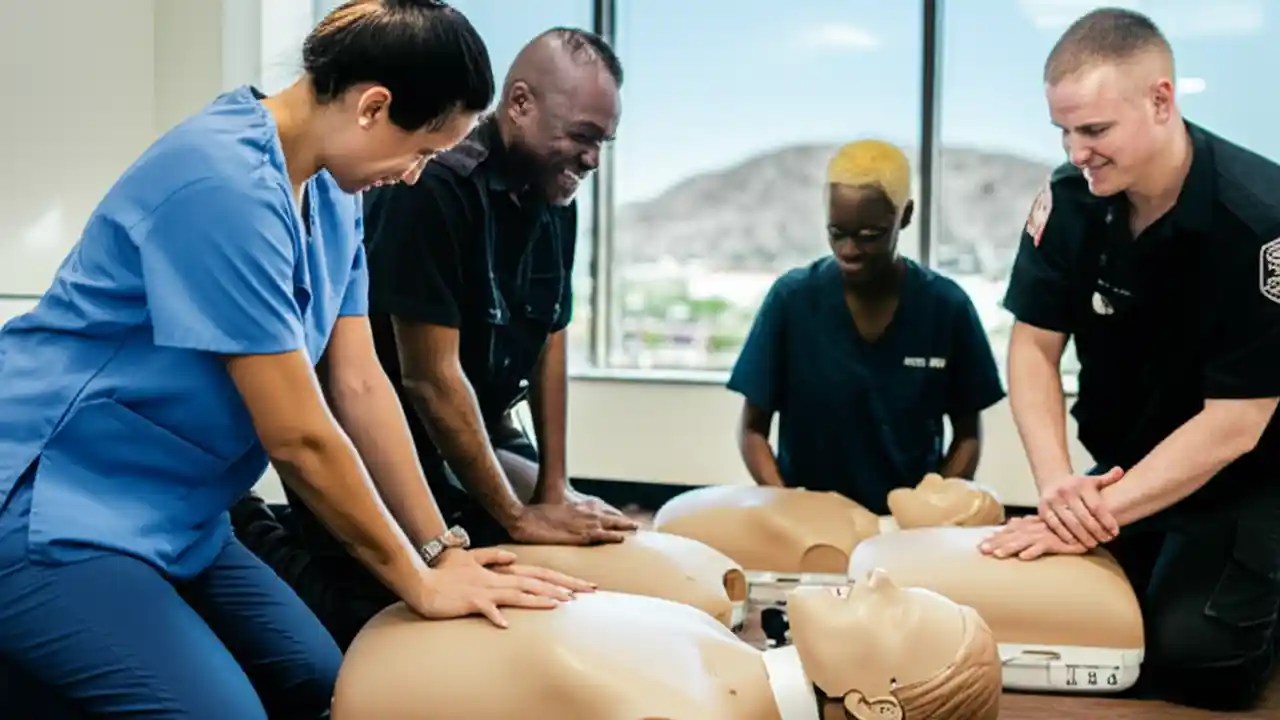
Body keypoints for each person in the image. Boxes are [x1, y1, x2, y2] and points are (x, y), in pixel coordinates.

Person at [0, 2, 588, 717]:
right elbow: (300, 436)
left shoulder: (334, 190)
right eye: (422, 151)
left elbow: (360, 385)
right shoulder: (221, 182)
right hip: (54, 503)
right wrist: (419, 582)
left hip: (179, 510)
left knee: (318, 678)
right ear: (373, 107)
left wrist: (440, 549)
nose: (414, 175)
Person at [232, 26, 637, 652]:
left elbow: (551, 339)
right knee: (382, 609)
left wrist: (554, 490)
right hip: (392, 426)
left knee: (563, 540)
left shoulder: (557, 196)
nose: (592, 160)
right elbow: (428, 380)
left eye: (602, 143)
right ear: (520, 104)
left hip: (480, 424)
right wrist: (510, 519)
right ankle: (258, 534)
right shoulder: (427, 183)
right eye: (582, 137)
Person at [981, 8, 1280, 710]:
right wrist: (1058, 489)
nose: (1076, 151)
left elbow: (1236, 425)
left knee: (1193, 658)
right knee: (1072, 613)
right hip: (1127, 466)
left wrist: (1094, 514)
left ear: (1161, 101)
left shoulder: (1258, 221)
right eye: (1063, 130)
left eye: (1094, 130)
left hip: (1249, 478)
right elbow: (1032, 346)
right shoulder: (1068, 202)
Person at [727, 139, 1006, 514]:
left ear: (905, 216)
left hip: (908, 526)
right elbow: (752, 430)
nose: (849, 250)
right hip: (810, 522)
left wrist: (932, 510)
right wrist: (789, 506)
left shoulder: (946, 307)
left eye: (869, 236)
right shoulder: (792, 300)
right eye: (837, 232)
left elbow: (968, 434)